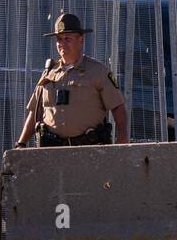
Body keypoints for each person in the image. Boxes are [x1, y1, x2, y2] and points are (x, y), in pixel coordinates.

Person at [15, 13, 129, 148]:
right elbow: (35, 111)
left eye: (67, 39)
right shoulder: (49, 74)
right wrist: (21, 143)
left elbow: (118, 108)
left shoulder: (98, 71)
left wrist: (122, 141)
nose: (62, 44)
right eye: (59, 39)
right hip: (52, 152)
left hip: (88, 151)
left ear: (81, 40)